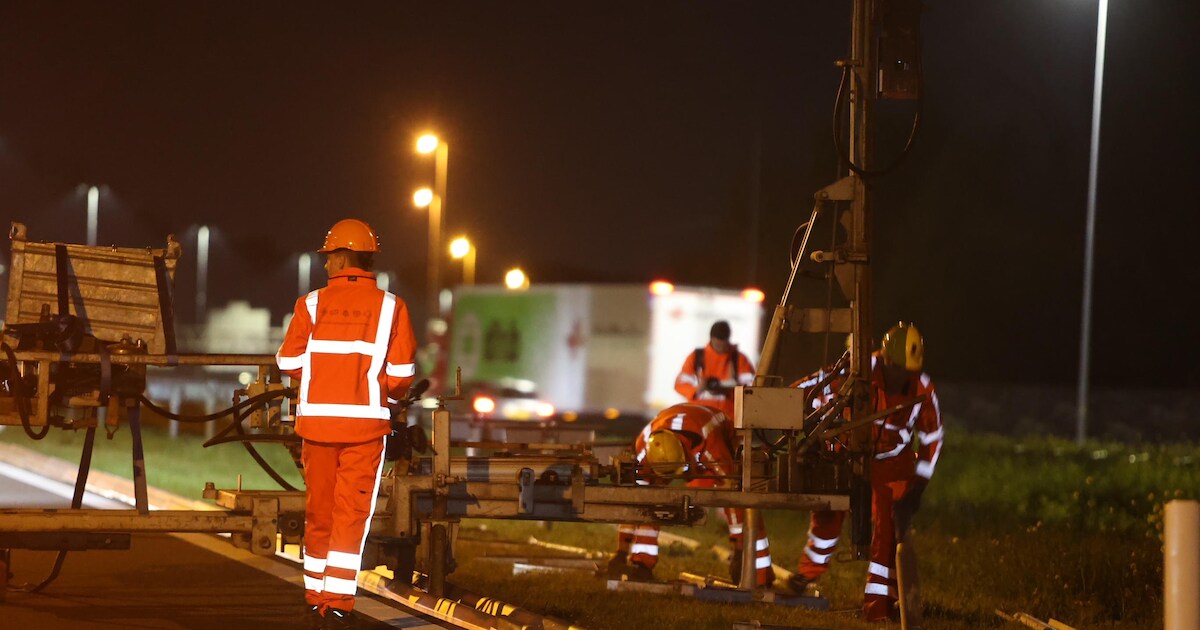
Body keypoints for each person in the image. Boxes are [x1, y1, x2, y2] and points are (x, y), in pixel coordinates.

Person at [277, 218, 418, 629]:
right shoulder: (393, 306)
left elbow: (288, 362)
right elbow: (402, 373)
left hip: (317, 428)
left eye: (327, 257)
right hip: (364, 431)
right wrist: (384, 395)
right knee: (350, 514)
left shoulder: (311, 305)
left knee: (318, 512)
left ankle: (315, 592)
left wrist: (321, 382)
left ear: (340, 257)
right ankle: (336, 601)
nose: (324, 265)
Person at [787, 322, 943, 622]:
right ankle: (807, 574)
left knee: (889, 529)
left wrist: (918, 487)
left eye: (907, 372)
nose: (902, 378)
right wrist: (783, 406)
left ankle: (880, 608)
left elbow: (932, 438)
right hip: (844, 456)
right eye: (897, 369)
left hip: (891, 464)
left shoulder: (922, 387)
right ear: (884, 359)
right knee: (827, 517)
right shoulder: (857, 370)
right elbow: (809, 389)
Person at [608, 402, 774, 586]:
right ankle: (641, 565)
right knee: (647, 497)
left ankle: (760, 577)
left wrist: (739, 550)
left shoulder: (712, 446)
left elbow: (735, 497)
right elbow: (635, 501)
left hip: (719, 431)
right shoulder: (643, 449)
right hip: (683, 428)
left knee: (744, 499)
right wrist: (621, 553)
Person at [674, 320, 756, 418]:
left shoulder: (739, 359)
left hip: (728, 419)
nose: (721, 348)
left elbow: (752, 390)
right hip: (699, 417)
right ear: (711, 339)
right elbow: (680, 385)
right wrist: (697, 389)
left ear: (728, 340)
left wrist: (732, 389)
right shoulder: (696, 357)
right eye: (718, 345)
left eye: (723, 345)